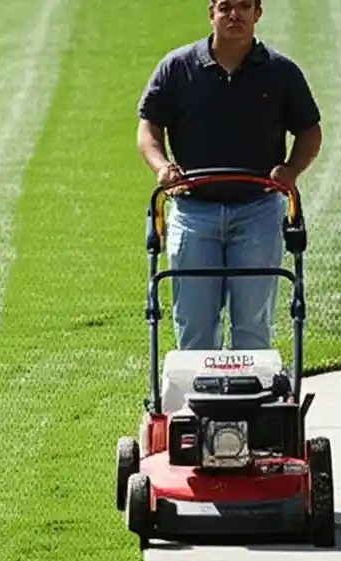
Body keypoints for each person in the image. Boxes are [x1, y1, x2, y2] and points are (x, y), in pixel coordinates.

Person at [136, 0, 322, 351]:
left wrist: (292, 170)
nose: (233, 14)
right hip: (194, 213)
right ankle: (199, 398)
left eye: (242, 7)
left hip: (259, 211)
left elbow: (310, 131)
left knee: (253, 322)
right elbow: (148, 128)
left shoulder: (281, 72)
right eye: (225, 7)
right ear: (211, 14)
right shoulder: (177, 68)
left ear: (258, 13)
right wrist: (162, 167)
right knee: (193, 324)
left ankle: (249, 399)